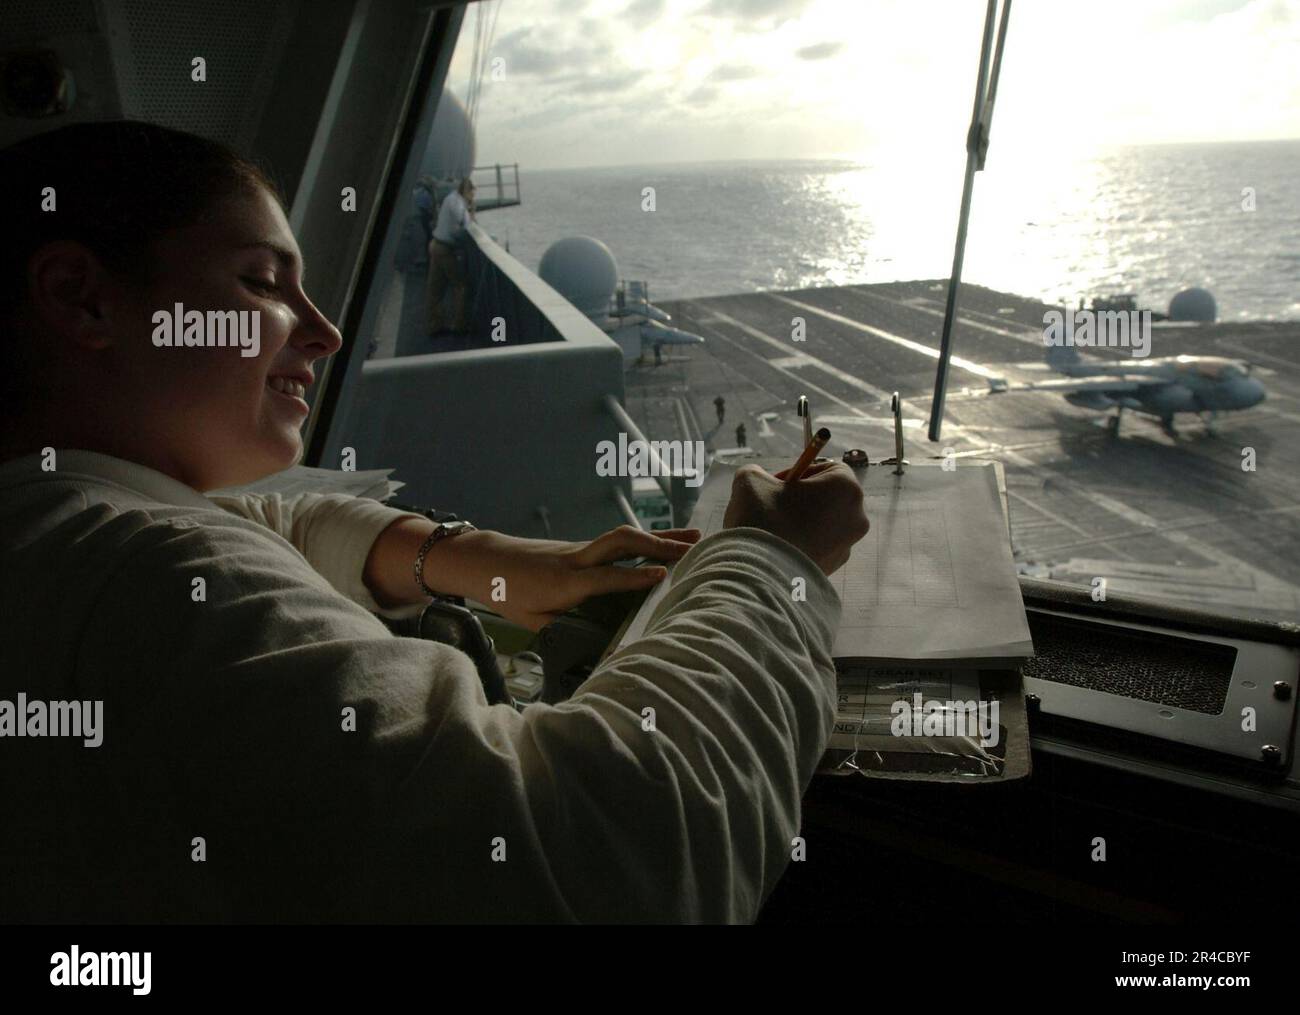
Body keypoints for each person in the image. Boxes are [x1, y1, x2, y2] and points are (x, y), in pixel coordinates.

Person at [0, 121, 869, 923]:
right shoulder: (148, 581)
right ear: (81, 297)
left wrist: (491, 562)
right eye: (262, 283)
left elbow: (275, 523)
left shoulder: (64, 519)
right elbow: (618, 861)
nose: (327, 332)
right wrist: (771, 558)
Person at [425, 176, 475, 337]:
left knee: (435, 289)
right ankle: (460, 326)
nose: (472, 196)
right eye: (472, 193)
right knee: (461, 286)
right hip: (444, 249)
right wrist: (471, 207)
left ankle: (434, 325)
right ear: (467, 191)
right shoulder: (457, 202)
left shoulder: (450, 199)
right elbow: (465, 223)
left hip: (436, 245)